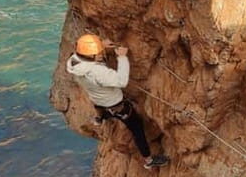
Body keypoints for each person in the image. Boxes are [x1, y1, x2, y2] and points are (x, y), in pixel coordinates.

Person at [66, 34, 169, 169]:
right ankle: (149, 161)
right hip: (115, 104)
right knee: (137, 128)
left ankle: (99, 118)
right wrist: (122, 57)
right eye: (98, 53)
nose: (101, 54)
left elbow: (88, 57)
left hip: (97, 99)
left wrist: (101, 46)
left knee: (101, 107)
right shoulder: (98, 72)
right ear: (91, 56)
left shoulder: (74, 62)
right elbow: (121, 81)